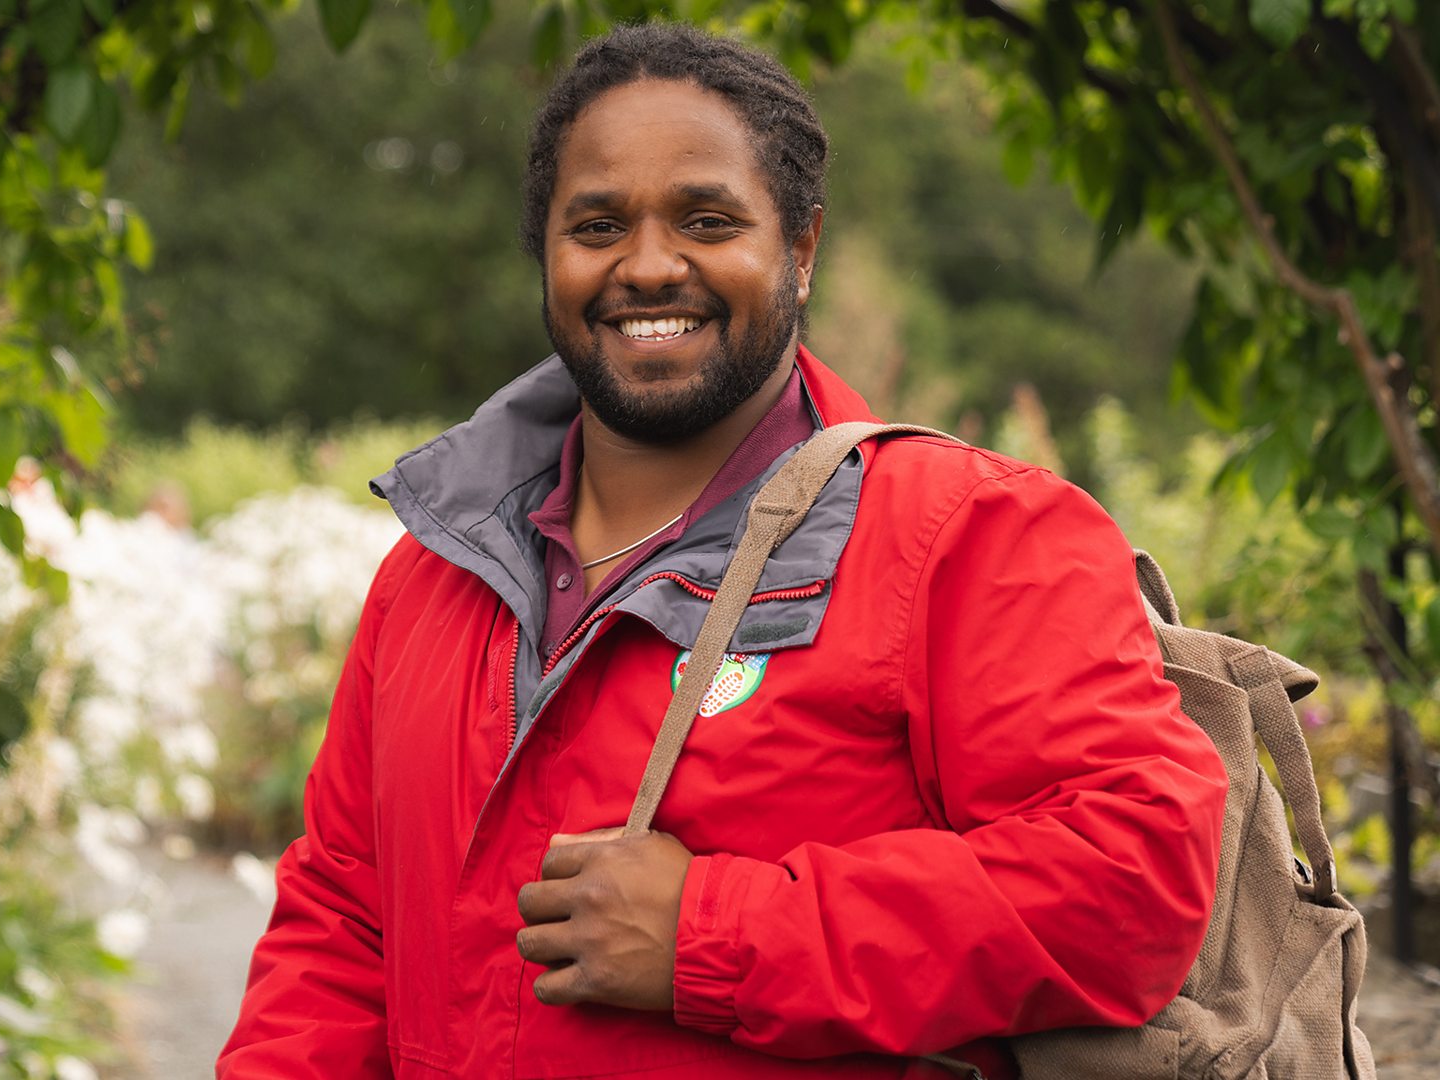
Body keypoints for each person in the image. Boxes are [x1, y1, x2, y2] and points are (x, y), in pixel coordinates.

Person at [218, 22, 1227, 1079]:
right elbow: (340, 922)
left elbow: (1133, 881)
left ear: (799, 249)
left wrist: (713, 935)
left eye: (707, 219)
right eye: (597, 224)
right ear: (549, 254)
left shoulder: (964, 535)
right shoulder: (433, 576)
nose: (648, 266)